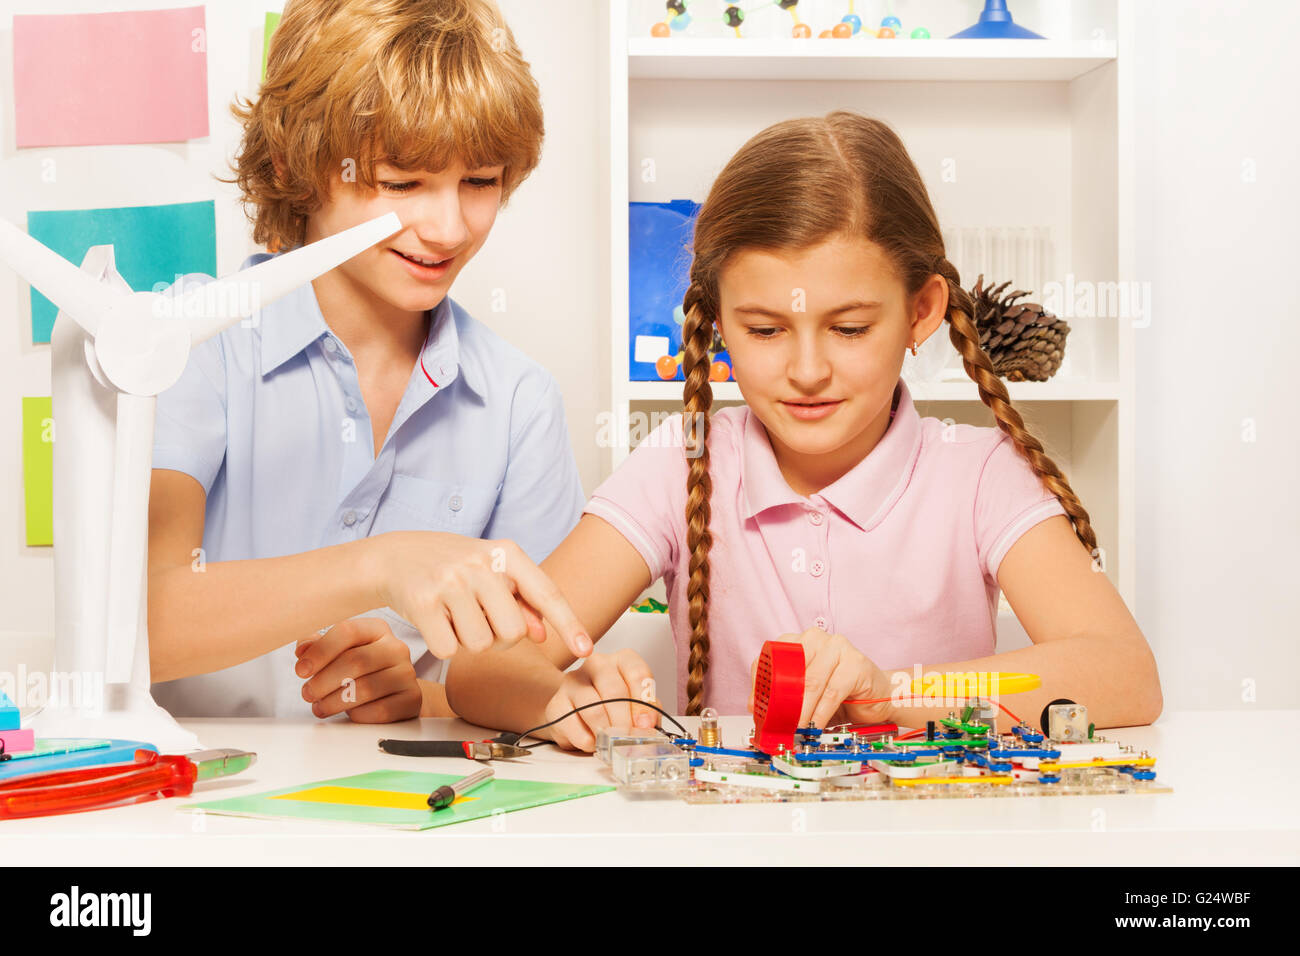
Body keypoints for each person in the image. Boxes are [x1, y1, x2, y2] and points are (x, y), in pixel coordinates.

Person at [445, 111, 1163, 750]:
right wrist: (560, 698)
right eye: (765, 329)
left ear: (921, 313)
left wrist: (891, 693)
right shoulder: (682, 463)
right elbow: (481, 670)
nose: (808, 369)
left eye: (849, 328)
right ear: (718, 320)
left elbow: (1123, 672)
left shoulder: (975, 473)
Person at [147, 0, 592, 723]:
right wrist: (382, 566)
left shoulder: (519, 401)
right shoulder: (192, 342)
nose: (448, 228)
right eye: (402, 182)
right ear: (296, 161)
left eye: (479, 182)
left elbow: (519, 667)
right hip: (195, 817)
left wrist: (423, 695)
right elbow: (144, 623)